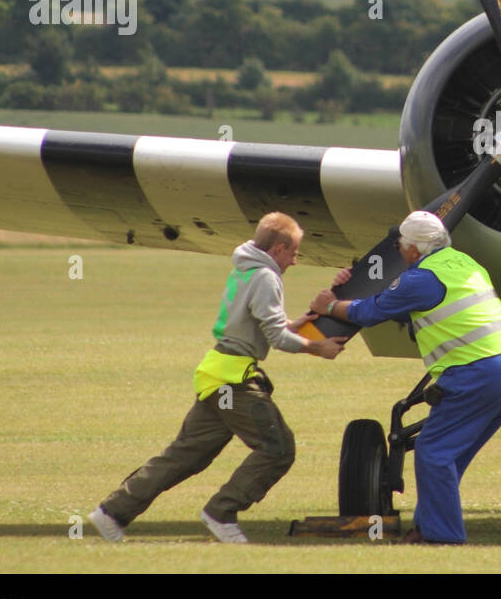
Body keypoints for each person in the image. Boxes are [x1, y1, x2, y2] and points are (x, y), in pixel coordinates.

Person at [88, 211, 345, 544]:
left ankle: (111, 512)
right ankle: (221, 512)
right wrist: (317, 347)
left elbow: (261, 326)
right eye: (294, 253)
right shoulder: (266, 277)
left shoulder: (244, 269)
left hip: (216, 373)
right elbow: (278, 339)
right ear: (279, 248)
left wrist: (297, 324)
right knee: (277, 448)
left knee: (184, 455)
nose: (294, 261)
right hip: (234, 380)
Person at [311, 210, 501, 545]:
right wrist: (353, 281)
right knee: (450, 454)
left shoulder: (420, 279)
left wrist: (330, 305)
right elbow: (407, 307)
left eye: (401, 243)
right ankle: (427, 527)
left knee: (434, 451)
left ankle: (442, 536)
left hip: (479, 370)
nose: (399, 248)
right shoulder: (462, 262)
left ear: (414, 250)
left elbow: (368, 312)